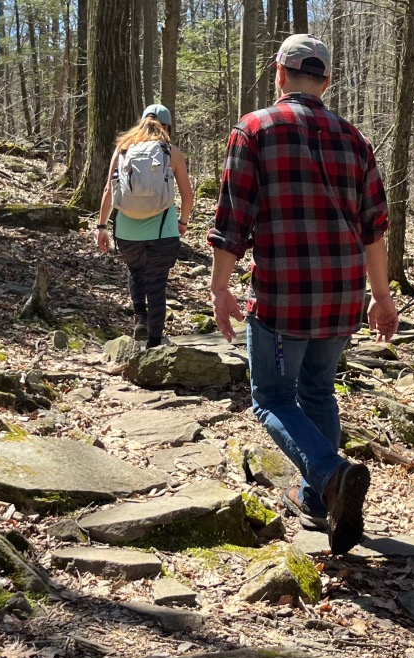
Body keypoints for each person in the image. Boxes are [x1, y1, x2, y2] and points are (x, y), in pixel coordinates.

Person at [209, 34, 398, 555]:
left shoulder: (253, 130)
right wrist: (381, 296)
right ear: (327, 82)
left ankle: (331, 475)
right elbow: (375, 228)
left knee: (271, 398)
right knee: (317, 391)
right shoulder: (354, 139)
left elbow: (233, 220)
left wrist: (220, 286)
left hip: (283, 296)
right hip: (341, 296)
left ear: (279, 74)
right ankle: (318, 501)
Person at [96, 103, 194, 348]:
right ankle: (155, 344)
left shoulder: (123, 149)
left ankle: (140, 318)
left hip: (127, 231)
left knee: (136, 271)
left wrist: (101, 226)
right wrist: (182, 222)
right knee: (157, 283)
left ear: (141, 123)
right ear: (167, 127)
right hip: (163, 229)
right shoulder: (172, 152)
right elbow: (188, 196)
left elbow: (109, 190)